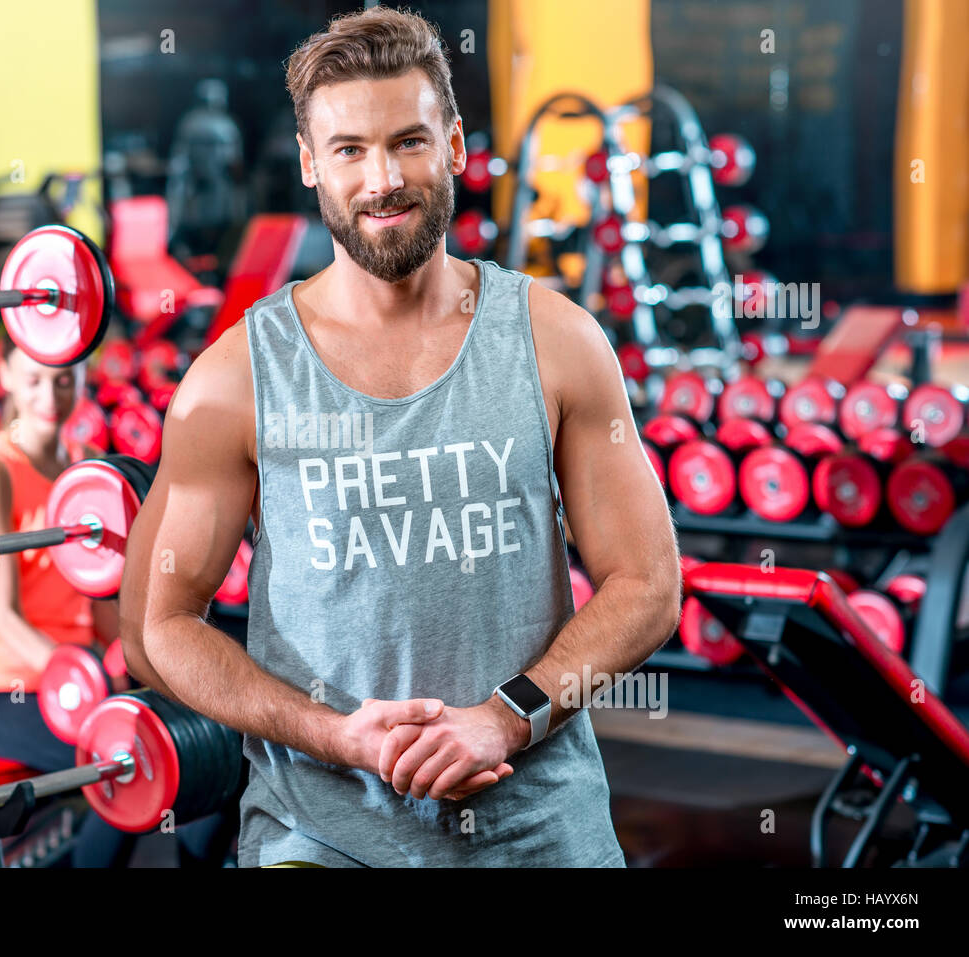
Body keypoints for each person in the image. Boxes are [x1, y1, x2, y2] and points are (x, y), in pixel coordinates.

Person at [119, 7, 682, 867]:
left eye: (409, 142)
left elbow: (647, 582)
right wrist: (338, 735)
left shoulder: (556, 342)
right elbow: (158, 626)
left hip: (541, 833)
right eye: (349, 150)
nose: (382, 178)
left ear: (454, 147)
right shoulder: (237, 378)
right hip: (323, 836)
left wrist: (506, 716)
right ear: (311, 164)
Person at [0, 336, 134, 867]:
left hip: (79, 678)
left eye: (62, 378)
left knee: (200, 742)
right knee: (126, 759)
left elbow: (100, 599)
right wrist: (85, 679)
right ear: (4, 374)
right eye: (32, 378)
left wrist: (141, 663)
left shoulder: (90, 468)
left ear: (82, 377)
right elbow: (1, 615)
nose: (49, 394)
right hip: (6, 691)